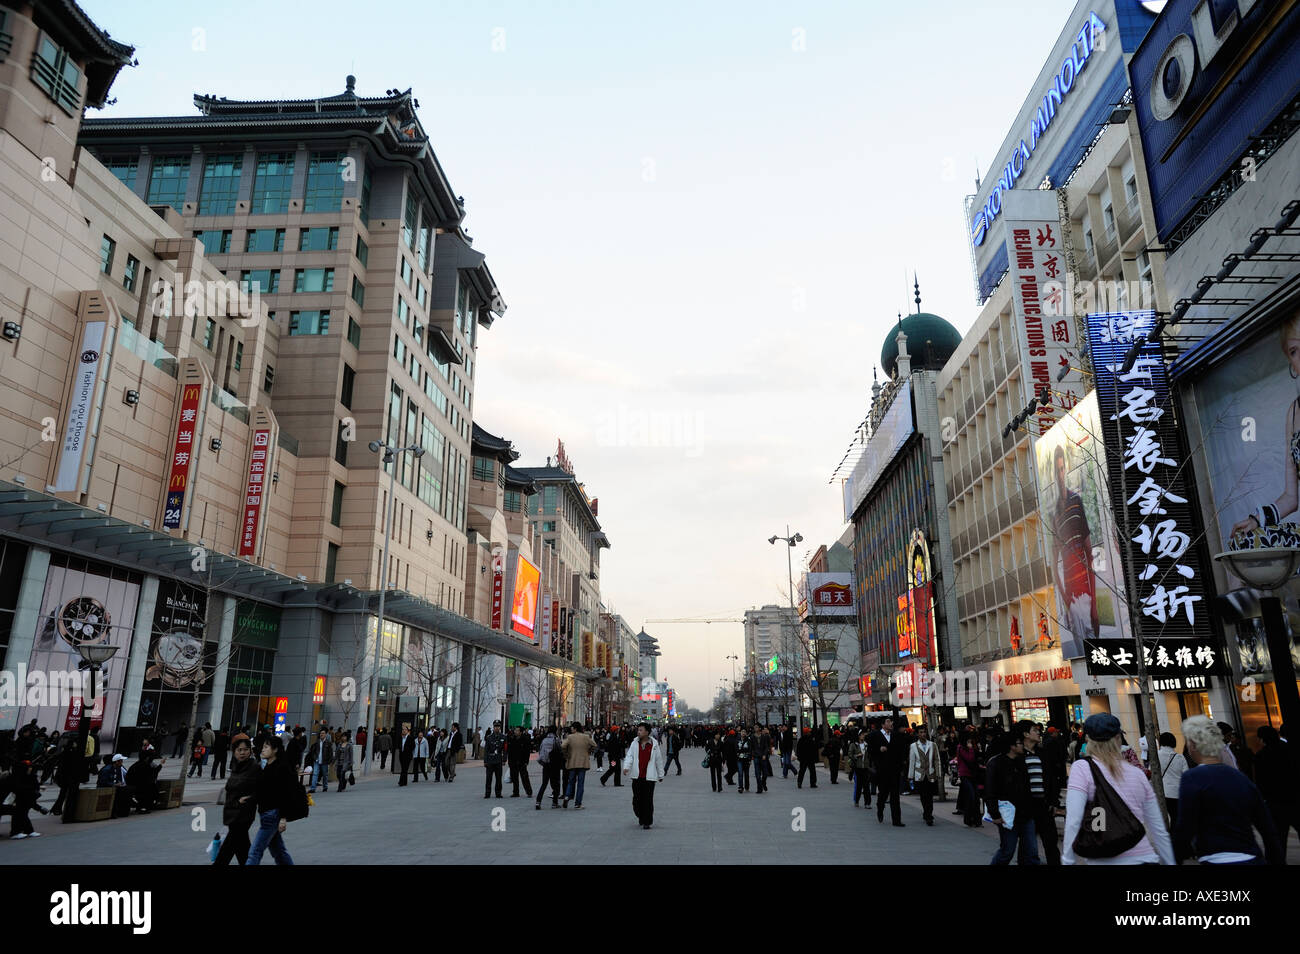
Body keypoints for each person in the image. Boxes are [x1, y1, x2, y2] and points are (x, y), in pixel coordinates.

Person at [1061, 713, 1174, 865]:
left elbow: (1074, 820)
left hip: (1103, 858)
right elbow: (1158, 829)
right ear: (1118, 739)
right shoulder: (1137, 774)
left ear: (1088, 740)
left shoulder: (1082, 768)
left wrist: (1068, 860)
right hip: (1144, 858)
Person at [1173, 716, 1283, 865]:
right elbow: (1267, 828)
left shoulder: (1192, 778)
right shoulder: (1240, 778)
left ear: (1192, 745)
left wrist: (1177, 856)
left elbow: (1185, 827)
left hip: (1214, 857)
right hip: (1251, 856)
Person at [986, 731, 1040, 864]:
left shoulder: (1021, 762)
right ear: (1012, 746)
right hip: (1007, 815)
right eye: (1019, 743)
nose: (1022, 745)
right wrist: (995, 814)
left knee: (1032, 851)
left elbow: (1027, 787)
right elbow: (990, 791)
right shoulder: (996, 763)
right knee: (1007, 851)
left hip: (1026, 813)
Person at [245, 735, 295, 866]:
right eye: (263, 747)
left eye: (266, 747)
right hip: (265, 814)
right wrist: (248, 799)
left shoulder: (282, 768)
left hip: (272, 816)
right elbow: (262, 791)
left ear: (275, 750)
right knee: (279, 852)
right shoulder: (267, 766)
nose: (263, 750)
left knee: (255, 852)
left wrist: (283, 818)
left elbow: (286, 795)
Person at [214, 735, 260, 865]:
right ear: (234, 752)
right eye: (239, 750)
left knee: (227, 849)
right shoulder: (235, 767)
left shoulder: (254, 767)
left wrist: (248, 799)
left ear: (250, 751)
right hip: (231, 812)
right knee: (242, 850)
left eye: (245, 749)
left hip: (243, 814)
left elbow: (260, 789)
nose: (243, 753)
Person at [1253, 725, 1299, 847]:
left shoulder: (1261, 756)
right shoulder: (1290, 749)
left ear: (1262, 739)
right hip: (1295, 798)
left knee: (1279, 839)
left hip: (1275, 803)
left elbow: (1260, 781)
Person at [622, 722, 666, 829]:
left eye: (641, 730)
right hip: (637, 776)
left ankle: (647, 821)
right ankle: (640, 815)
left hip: (649, 777)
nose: (639, 732)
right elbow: (630, 756)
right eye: (638, 730)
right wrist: (626, 767)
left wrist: (661, 775)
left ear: (647, 732)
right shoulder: (634, 743)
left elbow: (658, 760)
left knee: (648, 800)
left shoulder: (654, 744)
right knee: (636, 800)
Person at [868, 718, 906, 825]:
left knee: (895, 795)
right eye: (888, 721)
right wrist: (878, 749)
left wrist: (901, 765)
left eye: (891, 721)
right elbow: (870, 750)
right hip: (882, 770)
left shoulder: (895, 735)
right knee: (883, 793)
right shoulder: (875, 735)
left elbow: (900, 751)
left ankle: (896, 820)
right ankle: (880, 808)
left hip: (894, 770)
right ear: (883, 724)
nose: (891, 723)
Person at [908, 724, 941, 826]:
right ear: (917, 734)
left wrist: (938, 772)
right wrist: (910, 776)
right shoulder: (913, 746)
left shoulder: (932, 745)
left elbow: (937, 759)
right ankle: (926, 812)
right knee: (923, 796)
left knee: (929, 796)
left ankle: (929, 815)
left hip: (930, 773)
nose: (923, 734)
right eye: (921, 732)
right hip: (919, 774)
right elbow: (912, 761)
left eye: (924, 732)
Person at [561, 722, 596, 809]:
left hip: (572, 762)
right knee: (580, 784)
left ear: (575, 729)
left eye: (572, 728)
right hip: (583, 763)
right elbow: (594, 745)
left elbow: (563, 746)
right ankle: (578, 803)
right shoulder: (585, 737)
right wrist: (589, 751)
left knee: (571, 781)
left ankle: (567, 796)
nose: (571, 730)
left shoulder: (570, 737)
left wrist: (566, 755)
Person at [1156, 732, 1188, 826]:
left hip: (1163, 793)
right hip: (1177, 793)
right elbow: (1186, 775)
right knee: (1176, 818)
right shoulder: (1180, 758)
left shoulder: (1156, 756)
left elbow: (1152, 773)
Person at [50, 738, 84, 820]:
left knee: (63, 793)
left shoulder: (64, 752)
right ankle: (58, 809)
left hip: (63, 776)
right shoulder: (71, 753)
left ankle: (56, 808)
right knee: (65, 794)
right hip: (68, 777)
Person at [955, 734, 982, 827]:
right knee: (971, 797)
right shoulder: (961, 748)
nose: (970, 743)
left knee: (976, 798)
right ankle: (968, 819)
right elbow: (969, 759)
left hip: (972, 774)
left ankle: (977, 820)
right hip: (965, 775)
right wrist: (971, 749)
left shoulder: (969, 747)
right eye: (968, 741)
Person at [535, 727, 562, 810]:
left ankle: (538, 802)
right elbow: (560, 750)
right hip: (554, 764)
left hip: (545, 765)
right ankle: (555, 803)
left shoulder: (544, 740)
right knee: (556, 784)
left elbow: (540, 751)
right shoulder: (556, 739)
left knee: (544, 784)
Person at [483, 720, 507, 798]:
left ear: (500, 727)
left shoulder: (503, 737)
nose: (497, 728)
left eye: (498, 726)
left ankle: (498, 793)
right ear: (493, 727)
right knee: (488, 778)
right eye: (495, 726)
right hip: (490, 760)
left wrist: (504, 759)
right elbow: (486, 750)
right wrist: (485, 761)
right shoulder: (489, 737)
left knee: (498, 778)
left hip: (498, 760)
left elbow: (505, 749)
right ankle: (487, 793)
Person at [508, 727, 533, 797]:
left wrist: (526, 761)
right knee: (514, 777)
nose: (515, 731)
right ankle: (516, 792)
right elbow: (510, 751)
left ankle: (529, 792)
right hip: (513, 761)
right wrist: (509, 761)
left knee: (524, 777)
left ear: (521, 732)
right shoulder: (512, 739)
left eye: (517, 730)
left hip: (522, 762)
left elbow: (527, 752)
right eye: (515, 730)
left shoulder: (525, 739)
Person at [851, 732, 873, 808]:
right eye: (862, 735)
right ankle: (856, 800)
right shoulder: (854, 745)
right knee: (859, 785)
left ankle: (867, 803)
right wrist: (857, 755)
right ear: (858, 736)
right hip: (858, 768)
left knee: (866, 786)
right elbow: (850, 754)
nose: (863, 736)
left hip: (866, 768)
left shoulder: (867, 744)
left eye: (864, 735)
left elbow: (870, 754)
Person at [754, 725, 772, 794]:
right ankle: (759, 788)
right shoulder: (752, 737)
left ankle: (763, 783)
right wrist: (753, 754)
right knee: (757, 774)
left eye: (757, 727)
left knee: (765, 773)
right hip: (756, 756)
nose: (755, 728)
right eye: (755, 727)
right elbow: (751, 747)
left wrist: (765, 754)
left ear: (759, 729)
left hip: (763, 757)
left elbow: (766, 746)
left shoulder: (764, 736)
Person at [735, 728, 752, 793]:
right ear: (740, 732)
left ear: (746, 733)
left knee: (746, 774)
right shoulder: (737, 740)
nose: (743, 733)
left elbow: (750, 750)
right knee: (740, 773)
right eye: (742, 731)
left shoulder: (748, 740)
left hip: (747, 759)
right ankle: (740, 787)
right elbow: (736, 749)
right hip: (739, 759)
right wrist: (744, 750)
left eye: (744, 732)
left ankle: (747, 786)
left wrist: (750, 759)